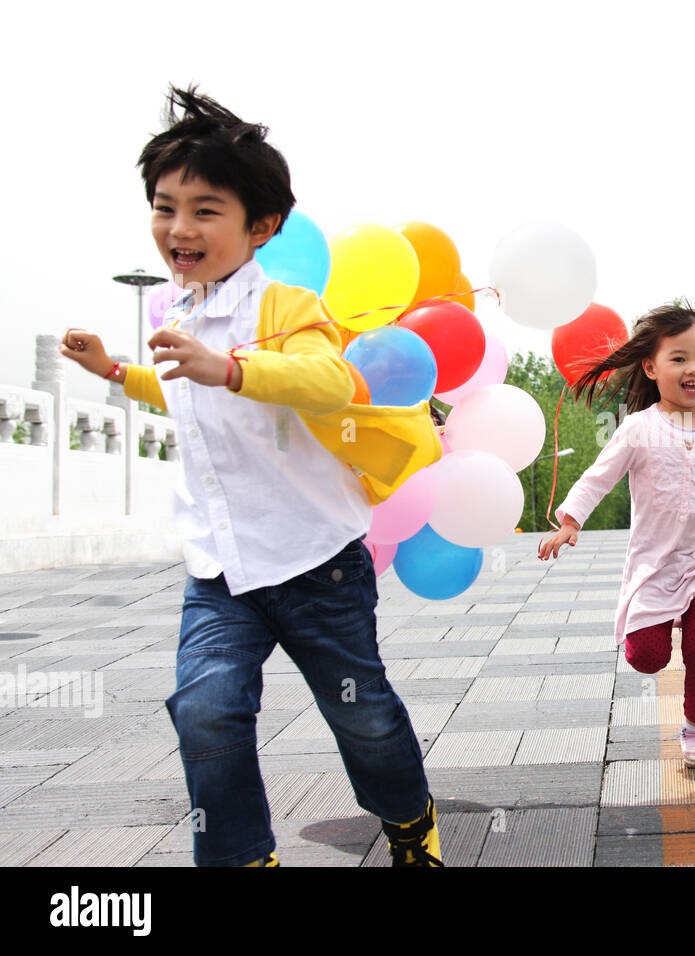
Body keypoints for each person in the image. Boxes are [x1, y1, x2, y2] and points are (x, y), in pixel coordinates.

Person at [59, 86, 443, 867]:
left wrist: (230, 367)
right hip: (221, 570)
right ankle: (241, 856)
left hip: (316, 564)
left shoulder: (285, 305)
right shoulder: (181, 312)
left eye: (206, 210)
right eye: (166, 207)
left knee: (362, 715)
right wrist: (118, 371)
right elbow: (178, 388)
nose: (179, 228)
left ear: (261, 226)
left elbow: (328, 382)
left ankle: (409, 819)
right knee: (206, 711)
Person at [537, 305, 695, 768]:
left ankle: (694, 730)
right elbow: (597, 478)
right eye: (679, 358)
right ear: (651, 367)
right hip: (654, 563)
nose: (694, 369)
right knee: (647, 659)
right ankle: (651, 628)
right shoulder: (638, 428)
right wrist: (570, 522)